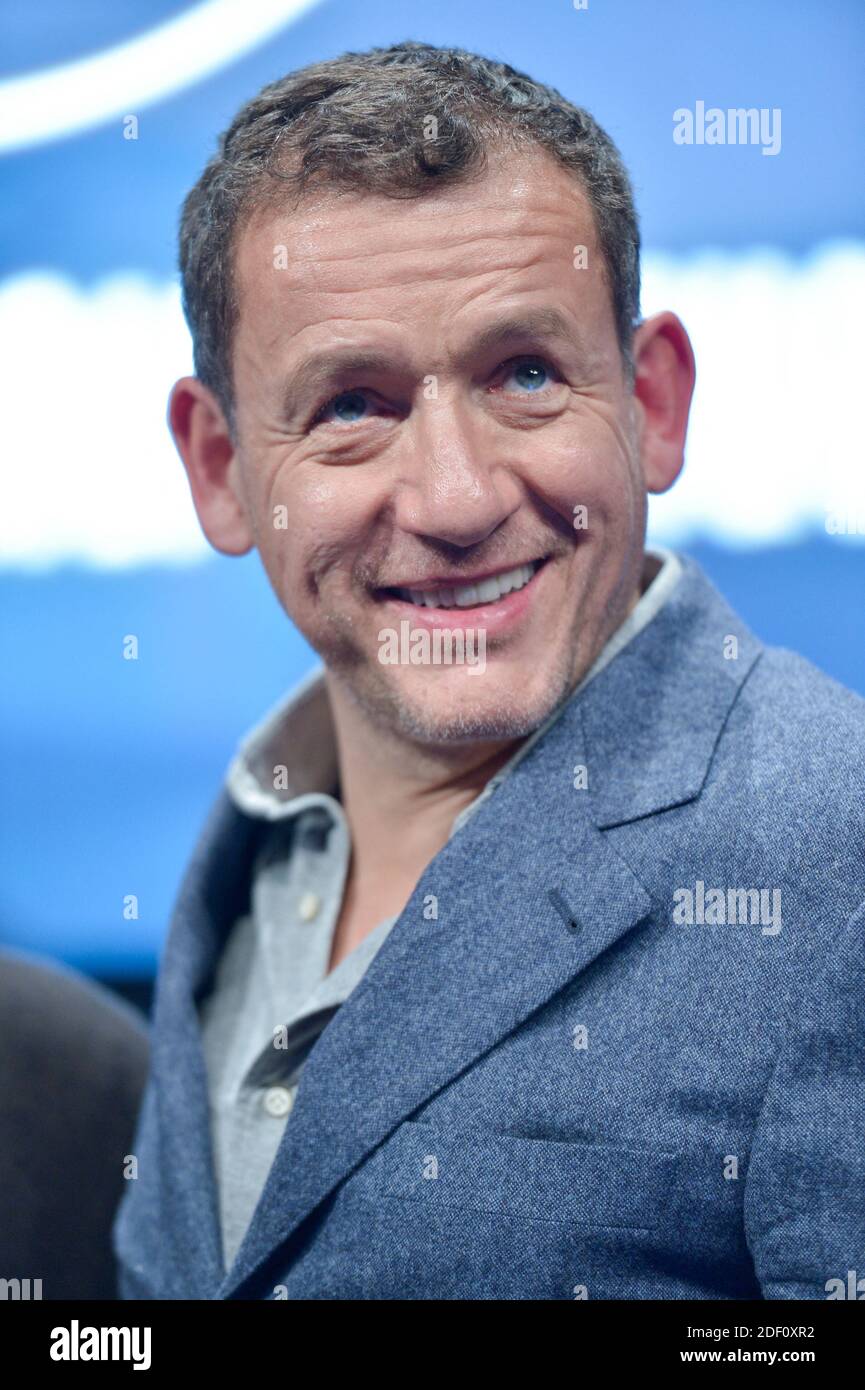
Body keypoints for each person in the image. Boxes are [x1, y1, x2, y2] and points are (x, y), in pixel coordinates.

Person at [113, 40, 865, 1300]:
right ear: (219, 466)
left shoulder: (833, 849)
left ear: (650, 402)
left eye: (524, 374)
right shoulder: (258, 845)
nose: (454, 500)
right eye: (352, 403)